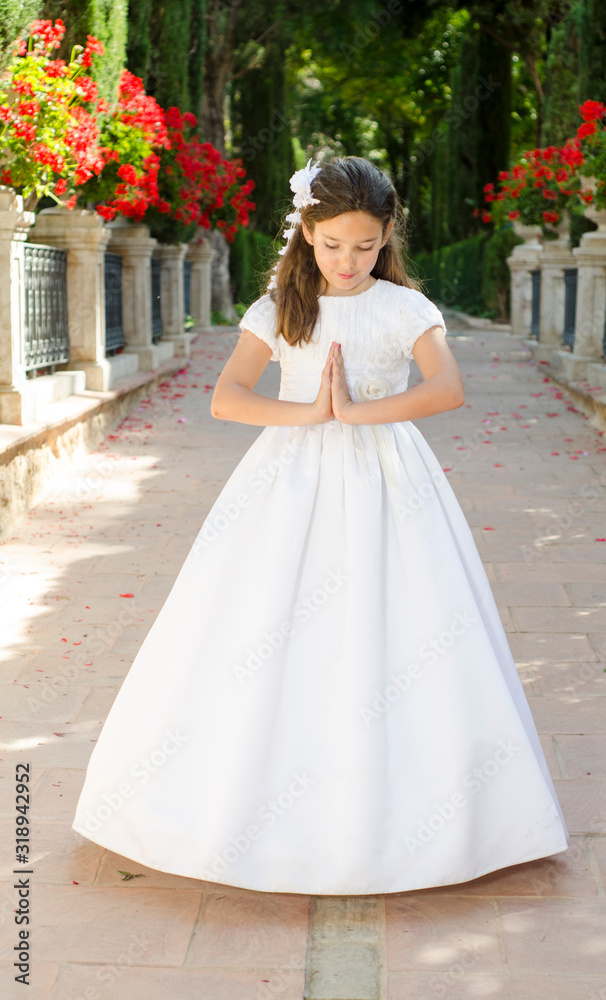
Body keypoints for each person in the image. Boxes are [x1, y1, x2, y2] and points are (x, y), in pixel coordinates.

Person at [71, 154, 569, 895]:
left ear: (387, 235)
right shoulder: (278, 309)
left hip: (389, 479)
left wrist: (359, 412)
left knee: (405, 619)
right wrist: (309, 413)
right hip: (289, 476)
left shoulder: (407, 309)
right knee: (265, 619)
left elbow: (447, 388)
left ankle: (442, 814)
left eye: (364, 246)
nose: (348, 260)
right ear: (306, 231)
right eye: (333, 244)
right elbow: (229, 397)